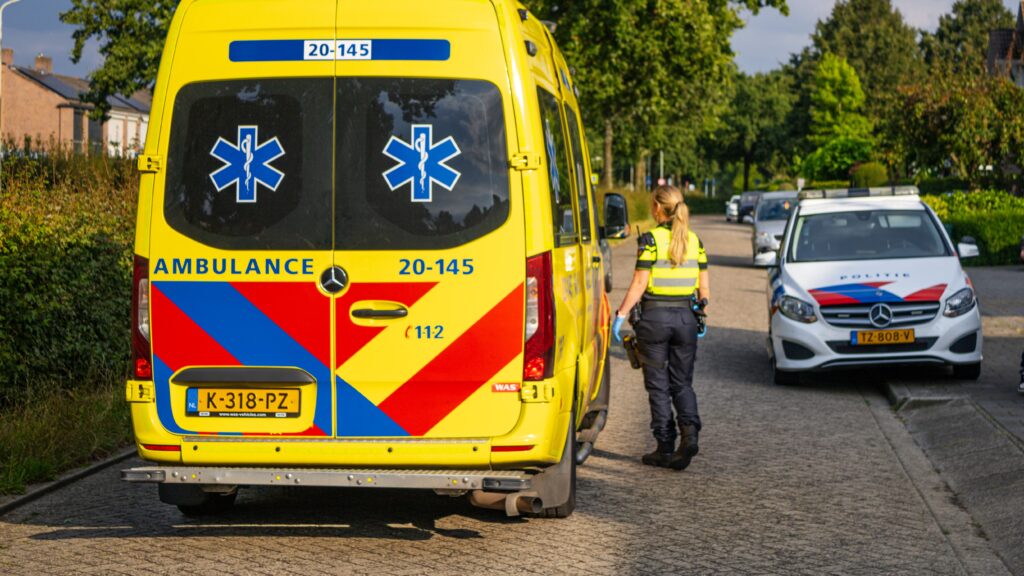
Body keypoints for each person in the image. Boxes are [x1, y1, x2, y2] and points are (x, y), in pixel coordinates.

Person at [612, 185, 710, 470]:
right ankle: (689, 435)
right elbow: (704, 288)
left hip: (654, 320)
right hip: (686, 321)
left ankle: (665, 446)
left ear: (657, 207)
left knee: (658, 386)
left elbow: (640, 284)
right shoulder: (695, 241)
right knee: (682, 382)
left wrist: (621, 314)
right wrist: (700, 314)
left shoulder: (650, 241)